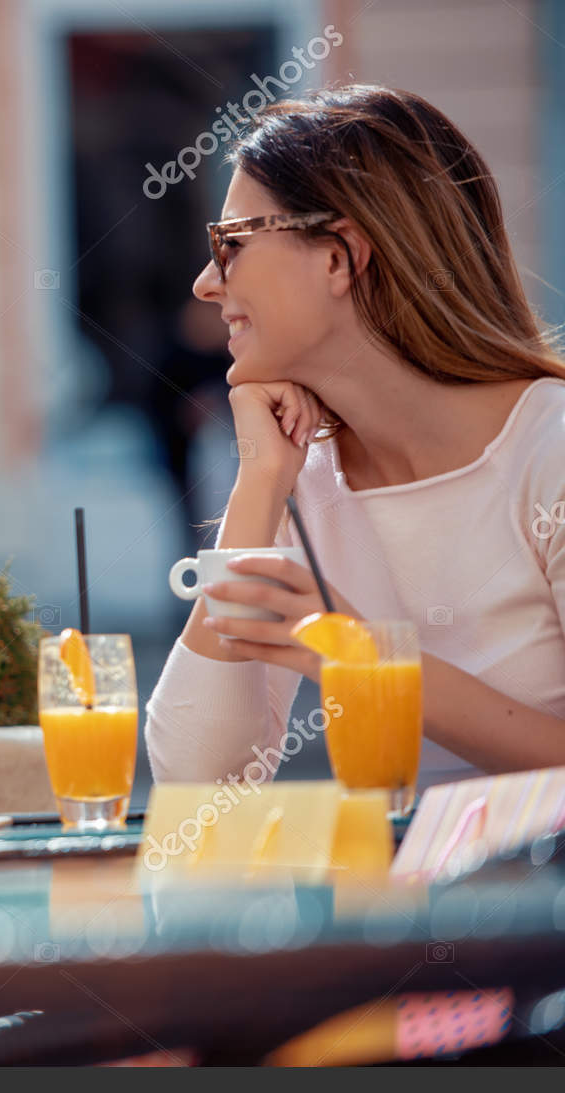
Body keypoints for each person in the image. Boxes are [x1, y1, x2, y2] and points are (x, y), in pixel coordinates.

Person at [145, 84, 565, 789]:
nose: (204, 284)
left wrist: (367, 659)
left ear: (339, 258)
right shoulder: (299, 480)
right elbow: (197, 783)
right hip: (386, 898)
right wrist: (259, 488)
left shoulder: (548, 450)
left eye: (231, 245)